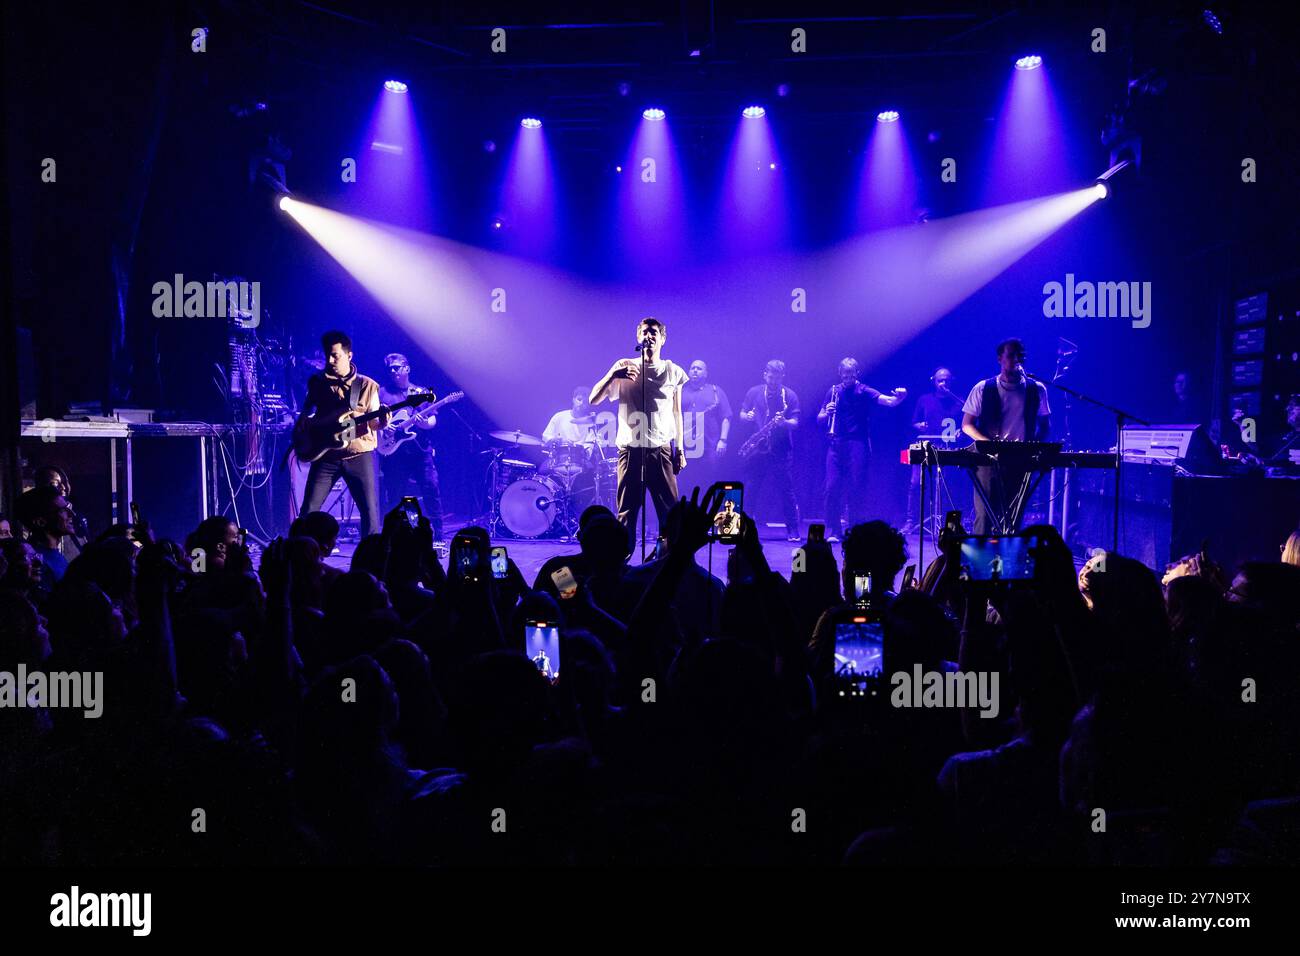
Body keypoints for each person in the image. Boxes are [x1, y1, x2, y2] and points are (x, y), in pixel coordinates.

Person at [589, 317, 690, 555]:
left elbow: (677, 413)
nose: (649, 336)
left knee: (669, 513)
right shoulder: (624, 366)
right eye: (645, 332)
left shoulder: (673, 371)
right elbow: (594, 399)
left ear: (663, 339)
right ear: (638, 337)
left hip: (661, 451)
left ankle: (666, 564)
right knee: (627, 512)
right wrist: (614, 374)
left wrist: (681, 450)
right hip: (630, 451)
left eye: (654, 332)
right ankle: (621, 566)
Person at [297, 331, 388, 539]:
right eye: (327, 355)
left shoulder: (367, 385)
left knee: (370, 513)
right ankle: (299, 556)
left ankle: (369, 563)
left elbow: (373, 423)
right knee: (308, 510)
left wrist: (382, 421)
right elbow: (306, 417)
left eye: (335, 355)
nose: (329, 360)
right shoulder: (317, 383)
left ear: (349, 355)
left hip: (359, 455)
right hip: (326, 456)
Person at [960, 338, 1051, 534]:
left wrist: (1035, 448)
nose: (1016, 361)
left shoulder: (1037, 389)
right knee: (984, 517)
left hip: (1020, 459)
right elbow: (967, 425)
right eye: (1011, 356)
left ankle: (1007, 561)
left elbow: (1045, 425)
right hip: (987, 460)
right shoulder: (984, 388)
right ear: (1000, 358)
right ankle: (981, 562)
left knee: (1013, 518)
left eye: (1020, 357)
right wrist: (988, 445)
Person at [816, 357, 907, 542]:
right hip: (836, 443)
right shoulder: (833, 391)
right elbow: (820, 418)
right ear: (840, 373)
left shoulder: (864, 391)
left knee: (856, 486)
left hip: (858, 443)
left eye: (851, 374)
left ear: (857, 374)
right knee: (832, 486)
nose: (847, 378)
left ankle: (854, 529)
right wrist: (827, 412)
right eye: (844, 374)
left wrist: (900, 397)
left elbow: (888, 402)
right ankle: (834, 530)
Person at [378, 352, 444, 543]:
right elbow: (374, 418)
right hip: (394, 452)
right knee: (394, 495)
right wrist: (383, 425)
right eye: (389, 368)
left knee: (431, 489)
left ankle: (438, 537)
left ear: (407, 368)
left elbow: (432, 420)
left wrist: (424, 424)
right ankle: (390, 538)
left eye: (396, 367)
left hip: (420, 451)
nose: (393, 371)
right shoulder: (382, 393)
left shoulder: (420, 392)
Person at [739, 360, 802, 542]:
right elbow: (742, 414)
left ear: (782, 376)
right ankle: (744, 527)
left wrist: (784, 423)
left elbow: (796, 423)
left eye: (777, 376)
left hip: (781, 450)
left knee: (786, 490)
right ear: (764, 374)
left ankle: (793, 530)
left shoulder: (789, 395)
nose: (773, 379)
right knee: (751, 488)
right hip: (759, 449)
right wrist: (747, 416)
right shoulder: (754, 392)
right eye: (770, 375)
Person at [904, 366, 965, 535]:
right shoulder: (924, 400)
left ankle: (950, 523)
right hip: (926, 448)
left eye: (946, 380)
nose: (943, 383)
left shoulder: (959, 401)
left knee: (949, 485)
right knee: (916, 483)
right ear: (934, 381)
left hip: (948, 450)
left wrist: (961, 431)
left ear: (951, 381)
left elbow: (967, 424)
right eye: (940, 380)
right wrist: (920, 426)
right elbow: (913, 423)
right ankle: (911, 521)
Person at [681, 359, 733, 492]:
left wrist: (723, 440)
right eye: (692, 368)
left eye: (699, 368)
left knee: (709, 483)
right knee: (687, 484)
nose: (695, 371)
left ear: (706, 373)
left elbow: (726, 417)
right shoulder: (680, 392)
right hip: (687, 448)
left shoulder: (716, 391)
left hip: (710, 447)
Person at [14, 486, 75, 586]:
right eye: (63, 510)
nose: (71, 514)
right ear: (40, 521)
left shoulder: (54, 555)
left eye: (68, 508)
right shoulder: (37, 562)